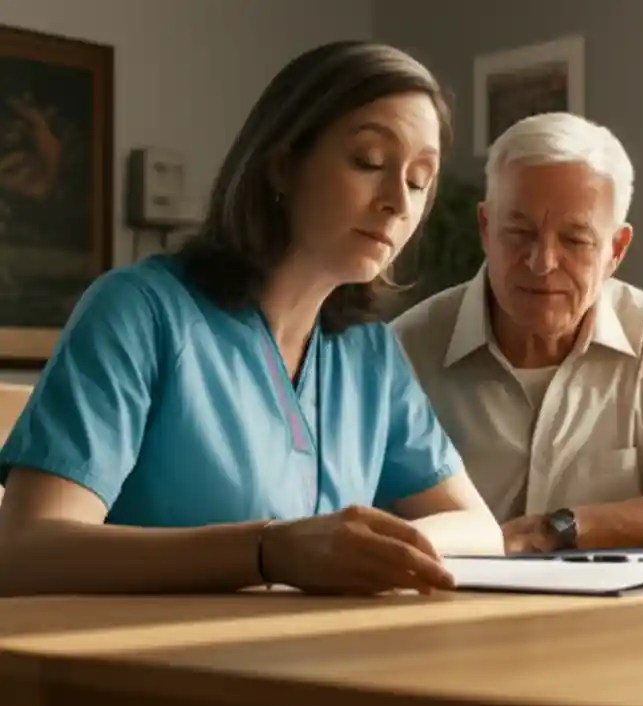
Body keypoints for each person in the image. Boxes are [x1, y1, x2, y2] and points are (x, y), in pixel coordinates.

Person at [0, 41, 503, 597]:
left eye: (418, 179)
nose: (398, 202)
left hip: (313, 669)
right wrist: (267, 550)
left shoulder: (368, 352)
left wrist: (372, 551)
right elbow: (25, 551)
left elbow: (481, 529)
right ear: (282, 163)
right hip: (149, 673)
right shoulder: (139, 311)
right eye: (369, 162)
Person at [393, 112, 643, 554]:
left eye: (575, 240)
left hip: (617, 621)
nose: (542, 262)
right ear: (486, 229)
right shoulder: (403, 351)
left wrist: (561, 527)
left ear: (616, 249)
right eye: (519, 233)